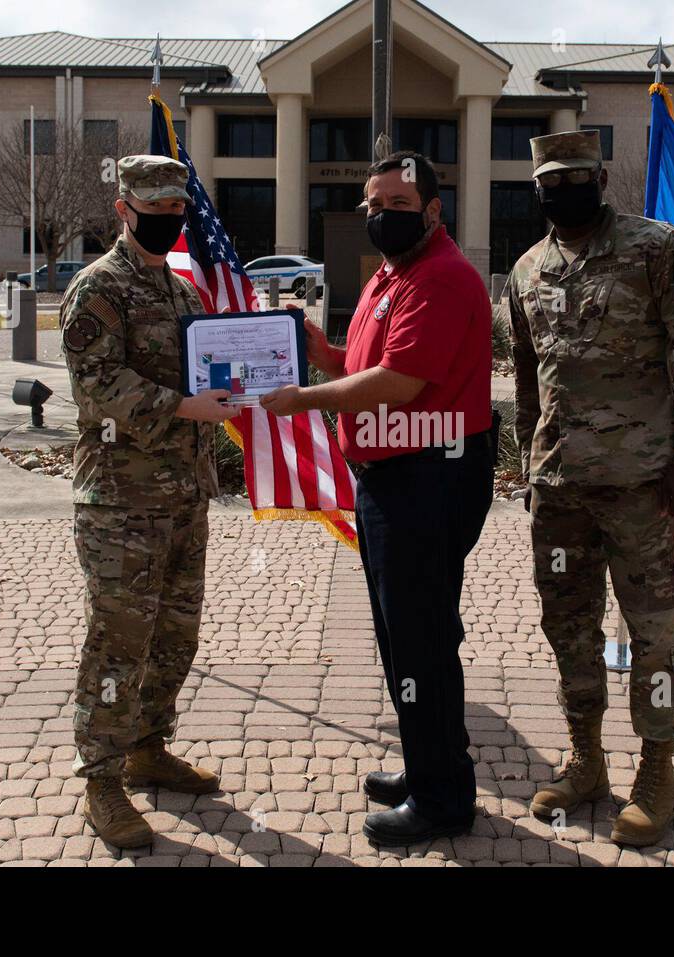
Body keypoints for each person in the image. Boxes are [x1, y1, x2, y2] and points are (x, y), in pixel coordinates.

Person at [261, 150, 493, 846]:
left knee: (420, 636)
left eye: (396, 203)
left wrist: (303, 397)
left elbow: (399, 384)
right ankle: (430, 763)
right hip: (392, 475)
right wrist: (320, 353)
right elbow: (362, 367)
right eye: (371, 203)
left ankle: (444, 799)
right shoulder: (390, 276)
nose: (379, 215)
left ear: (431, 211)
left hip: (428, 473)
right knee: (406, 634)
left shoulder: (443, 277)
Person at [507, 129, 674, 846]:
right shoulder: (527, 269)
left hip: (642, 485)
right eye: (549, 183)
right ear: (536, 190)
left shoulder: (655, 248)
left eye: (575, 179)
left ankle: (656, 770)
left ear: (601, 178)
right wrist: (528, 468)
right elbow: (527, 375)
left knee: (656, 632)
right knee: (568, 625)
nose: (562, 191)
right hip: (560, 487)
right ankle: (586, 758)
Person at [61, 154, 237, 849]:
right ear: (123, 210)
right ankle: (102, 781)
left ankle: (147, 746)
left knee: (175, 636)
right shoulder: (97, 289)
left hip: (183, 497)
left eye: (176, 213)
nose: (167, 223)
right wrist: (183, 404)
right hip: (120, 502)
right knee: (117, 644)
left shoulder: (185, 294)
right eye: (154, 212)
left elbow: (213, 369)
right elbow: (97, 387)